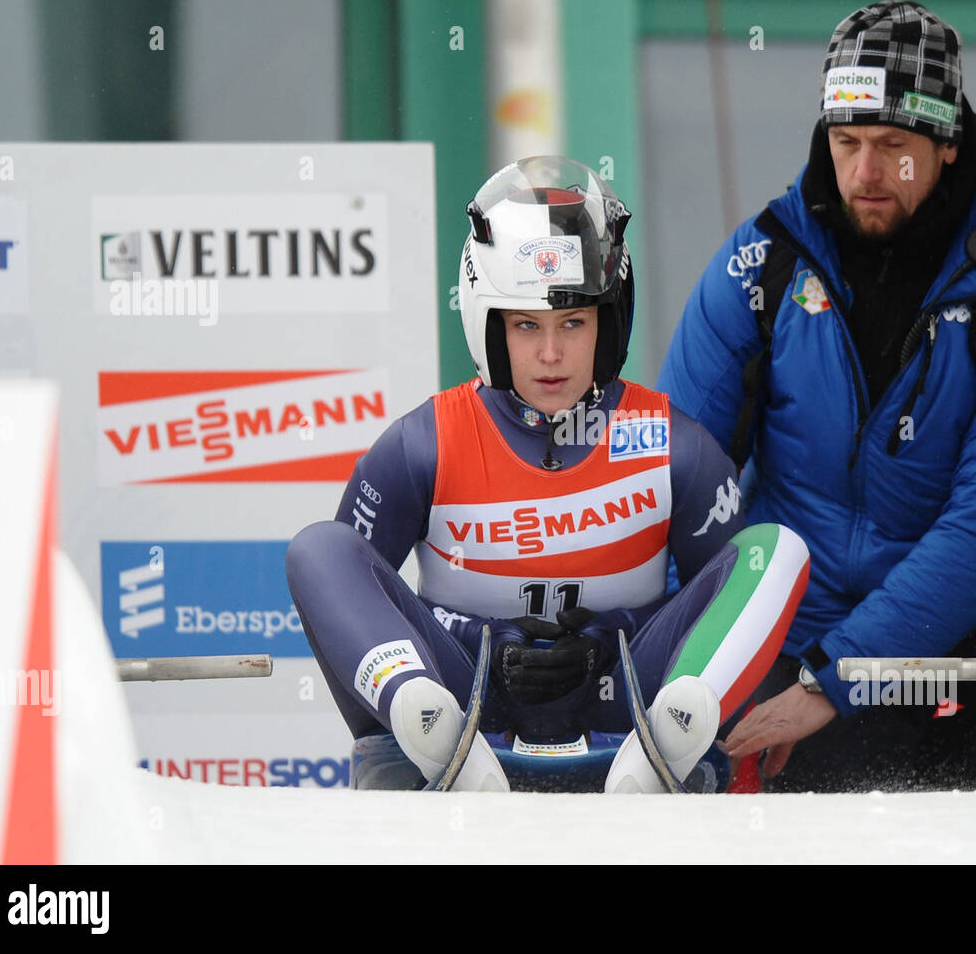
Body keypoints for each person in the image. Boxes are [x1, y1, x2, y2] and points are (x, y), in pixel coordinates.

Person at [657, 0, 976, 792]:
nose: (865, 172)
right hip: (798, 616)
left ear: (948, 142)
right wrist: (662, 657)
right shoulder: (760, 268)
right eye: (846, 143)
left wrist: (835, 681)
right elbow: (677, 484)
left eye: (893, 146)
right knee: (805, 796)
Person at [285, 157, 808, 793]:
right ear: (488, 324)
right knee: (319, 546)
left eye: (574, 323)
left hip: (628, 709)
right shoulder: (423, 443)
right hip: (468, 704)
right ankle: (437, 744)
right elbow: (348, 592)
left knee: (775, 550)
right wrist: (486, 644)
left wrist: (611, 640)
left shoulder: (673, 443)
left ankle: (667, 748)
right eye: (527, 324)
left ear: (608, 321)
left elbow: (722, 603)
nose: (552, 354)